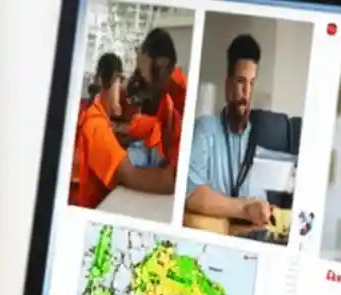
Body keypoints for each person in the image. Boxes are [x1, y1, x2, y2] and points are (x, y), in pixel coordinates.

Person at [184, 35, 273, 226]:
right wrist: (244, 209)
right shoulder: (205, 128)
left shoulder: (259, 139)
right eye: (241, 81)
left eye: (252, 83)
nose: (246, 93)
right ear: (228, 85)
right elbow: (191, 193)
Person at [70, 53, 176, 209]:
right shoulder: (95, 125)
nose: (123, 88)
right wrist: (174, 179)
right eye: (120, 80)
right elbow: (129, 175)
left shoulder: (96, 115)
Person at [135, 28, 184, 167]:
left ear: (163, 65)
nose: (144, 80)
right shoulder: (165, 97)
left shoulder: (184, 100)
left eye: (147, 73)